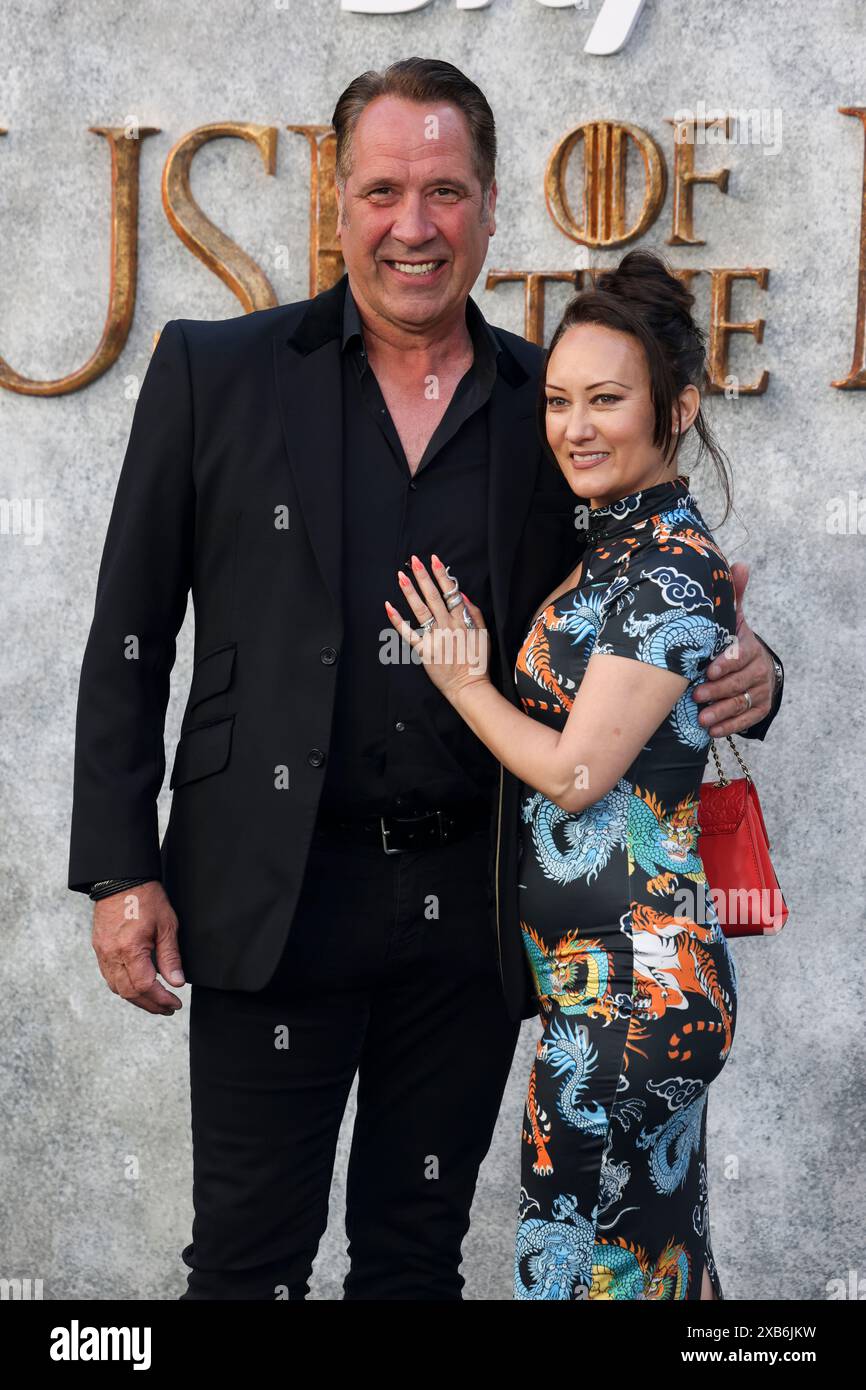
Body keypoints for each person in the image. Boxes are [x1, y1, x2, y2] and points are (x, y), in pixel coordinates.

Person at [68, 59, 782, 1301]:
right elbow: (128, 633)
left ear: (490, 206)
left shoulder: (545, 407)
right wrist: (121, 868)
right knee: (244, 1267)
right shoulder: (213, 371)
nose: (414, 224)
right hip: (264, 901)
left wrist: (751, 672)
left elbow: (637, 598)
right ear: (338, 201)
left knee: (414, 1264)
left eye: (444, 190)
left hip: (468, 911)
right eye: (384, 188)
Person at [385, 249, 756, 1300]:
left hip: (632, 989)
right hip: (603, 985)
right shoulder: (615, 554)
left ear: (675, 406)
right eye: (556, 400)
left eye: (605, 399)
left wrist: (461, 681)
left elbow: (575, 771)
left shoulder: (666, 565)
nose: (574, 426)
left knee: (584, 1270)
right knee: (649, 1269)